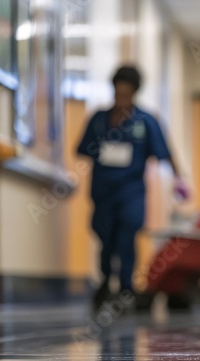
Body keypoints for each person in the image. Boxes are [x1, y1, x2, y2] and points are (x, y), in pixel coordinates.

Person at [77, 65, 188, 309]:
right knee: (105, 237)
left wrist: (180, 180)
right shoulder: (98, 120)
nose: (121, 100)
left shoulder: (146, 121)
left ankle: (126, 287)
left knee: (128, 234)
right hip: (104, 190)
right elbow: (83, 150)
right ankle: (106, 281)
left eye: (126, 95)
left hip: (132, 191)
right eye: (118, 94)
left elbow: (165, 152)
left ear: (135, 93)